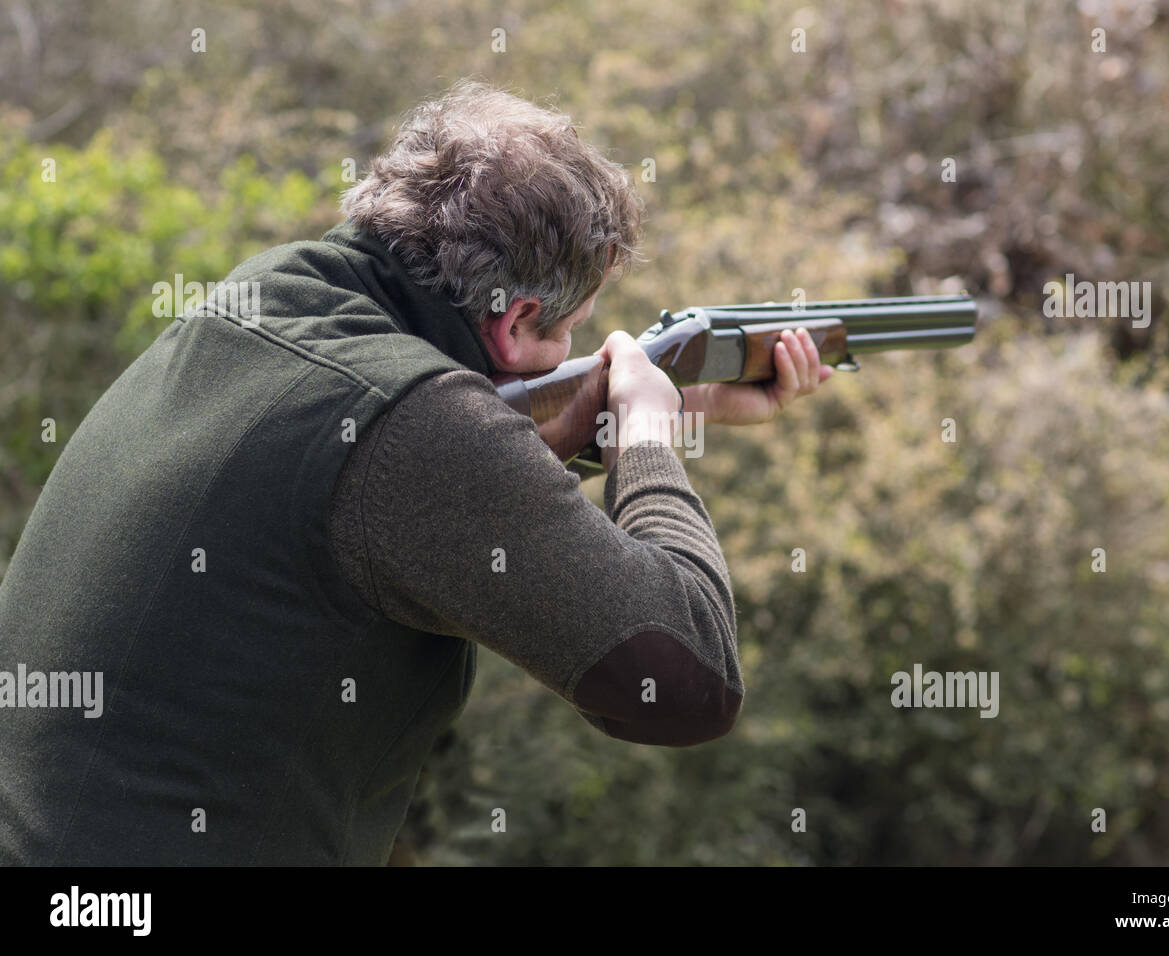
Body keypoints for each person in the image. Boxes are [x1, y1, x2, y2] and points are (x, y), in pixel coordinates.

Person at [0, 79, 832, 865]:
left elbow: (388, 507)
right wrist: (648, 439)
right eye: (573, 330)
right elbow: (687, 683)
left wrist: (613, 429)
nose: (576, 351)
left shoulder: (271, 296)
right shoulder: (412, 424)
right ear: (517, 322)